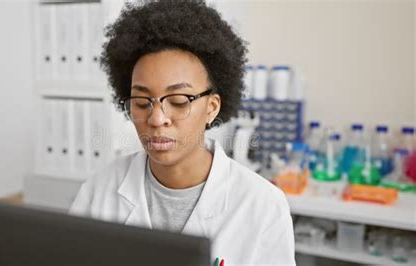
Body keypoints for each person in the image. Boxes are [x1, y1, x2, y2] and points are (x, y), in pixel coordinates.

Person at [70, 1, 295, 265]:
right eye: (142, 102)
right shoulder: (98, 191)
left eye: (178, 101)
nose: (156, 119)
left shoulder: (262, 205)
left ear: (211, 108)